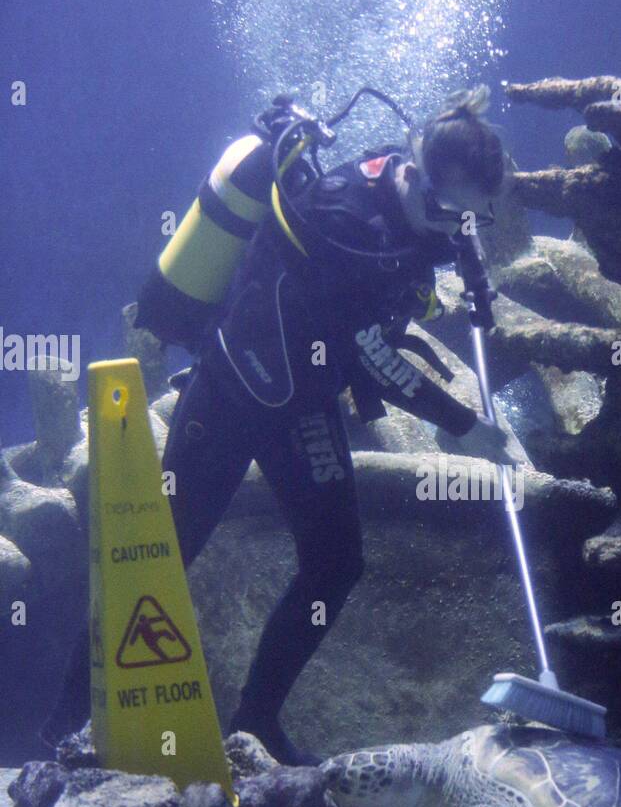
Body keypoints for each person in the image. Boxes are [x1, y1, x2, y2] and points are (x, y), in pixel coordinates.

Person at [43, 86, 515, 766]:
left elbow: (412, 281)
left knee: (335, 564)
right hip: (233, 390)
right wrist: (460, 424)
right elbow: (371, 356)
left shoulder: (418, 203)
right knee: (159, 558)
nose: (454, 228)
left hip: (302, 402)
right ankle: (63, 726)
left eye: (471, 218)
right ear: (417, 171)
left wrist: (468, 268)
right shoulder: (349, 220)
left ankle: (256, 720)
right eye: (447, 212)